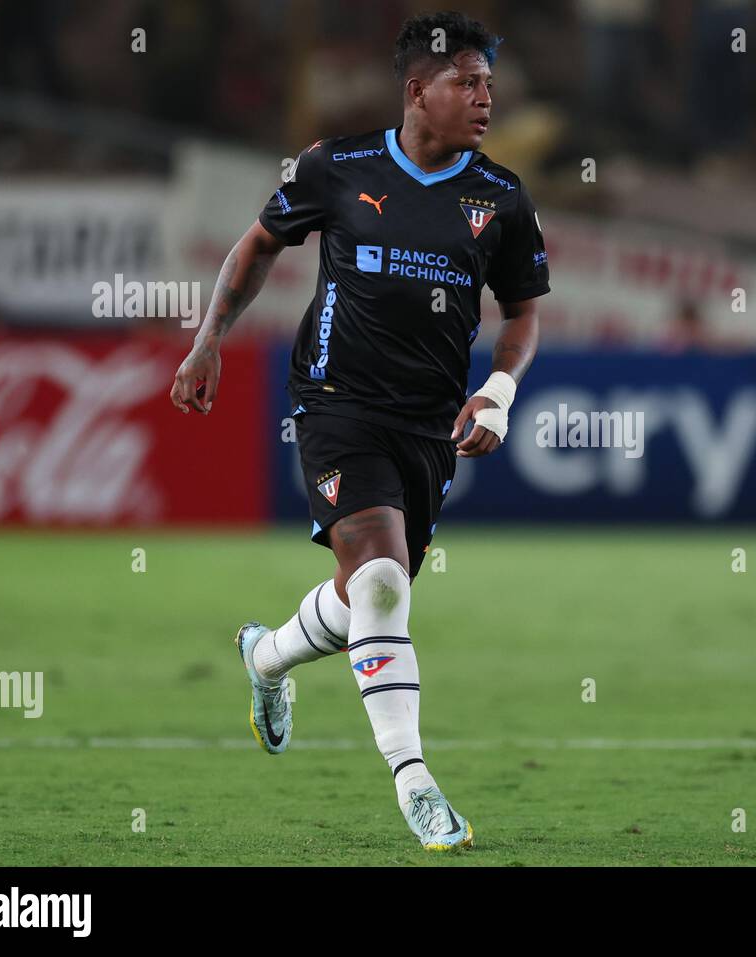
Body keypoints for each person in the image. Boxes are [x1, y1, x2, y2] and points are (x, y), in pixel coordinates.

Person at [168, 10, 550, 852]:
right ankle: (415, 782)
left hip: (428, 425)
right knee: (380, 578)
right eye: (469, 83)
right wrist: (207, 339)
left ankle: (267, 656)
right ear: (419, 90)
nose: (487, 98)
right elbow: (259, 243)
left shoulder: (499, 198)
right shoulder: (336, 167)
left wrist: (497, 392)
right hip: (336, 404)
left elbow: (522, 314)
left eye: (491, 84)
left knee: (365, 595)